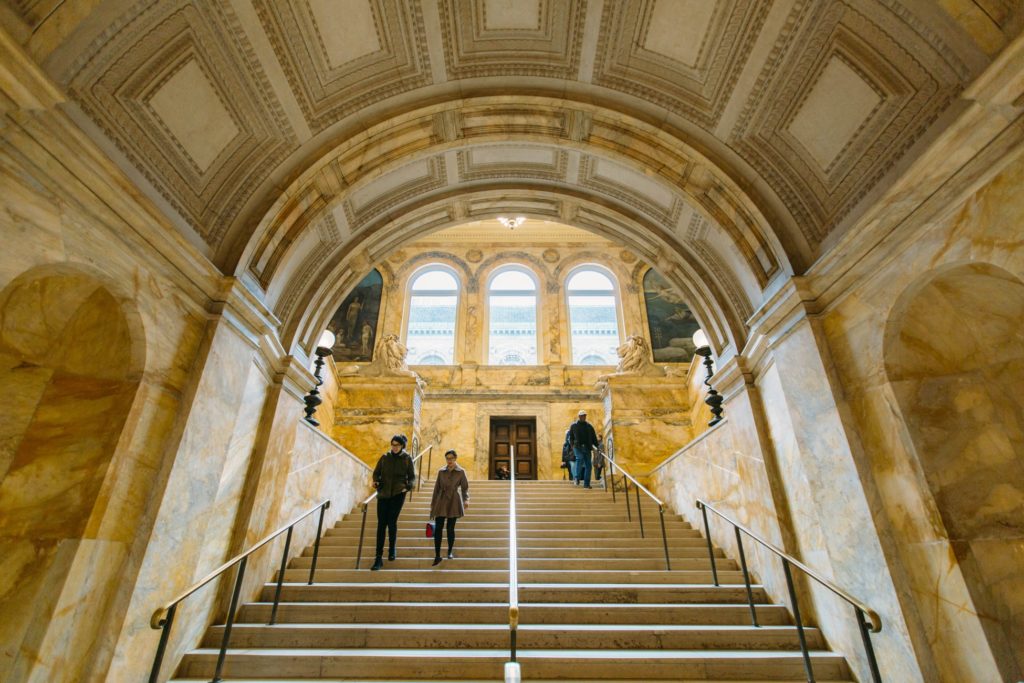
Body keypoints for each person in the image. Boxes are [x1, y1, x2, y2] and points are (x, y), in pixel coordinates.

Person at [370, 434, 416, 570]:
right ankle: (378, 558)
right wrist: (376, 481)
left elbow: (412, 477)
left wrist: (407, 487)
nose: (394, 447)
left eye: (397, 445)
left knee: (392, 522)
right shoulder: (385, 457)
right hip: (383, 494)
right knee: (381, 525)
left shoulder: (407, 459)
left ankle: (392, 549)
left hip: (397, 494)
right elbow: (376, 473)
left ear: (402, 446)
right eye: (393, 444)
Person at [430, 449, 470, 565]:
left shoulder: (461, 472)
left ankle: (449, 551)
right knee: (438, 529)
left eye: (451, 458)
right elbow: (436, 489)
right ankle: (437, 555)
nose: (449, 461)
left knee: (450, 528)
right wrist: (433, 505)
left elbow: (464, 488)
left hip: (454, 500)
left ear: (455, 458)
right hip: (441, 501)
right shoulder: (441, 471)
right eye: (447, 458)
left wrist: (466, 499)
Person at [569, 409, 598, 489]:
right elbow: (570, 437)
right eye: (582, 415)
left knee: (589, 465)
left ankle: (586, 484)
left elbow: (594, 437)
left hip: (587, 447)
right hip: (577, 447)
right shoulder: (573, 425)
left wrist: (597, 446)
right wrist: (572, 445)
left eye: (585, 415)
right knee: (580, 459)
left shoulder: (589, 426)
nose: (584, 417)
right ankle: (577, 478)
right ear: (579, 416)